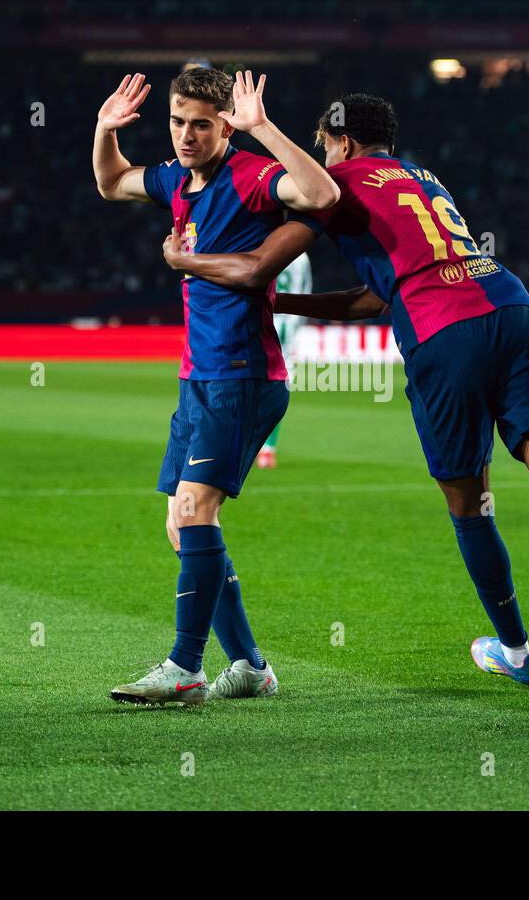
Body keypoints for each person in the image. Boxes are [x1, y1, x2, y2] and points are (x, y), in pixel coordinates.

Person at [163, 93, 529, 680]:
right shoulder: (423, 178)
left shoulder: (334, 180)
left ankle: (515, 651)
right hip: (513, 307)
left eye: (324, 145)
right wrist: (289, 303)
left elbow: (262, 261)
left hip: (442, 333)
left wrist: (201, 260)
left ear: (341, 142)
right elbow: (374, 295)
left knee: (471, 503)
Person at [94, 69, 339, 705]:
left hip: (242, 376)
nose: (186, 135)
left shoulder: (254, 176)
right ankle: (251, 667)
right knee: (181, 526)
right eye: (177, 122)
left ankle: (185, 667)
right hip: (197, 379)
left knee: (193, 511)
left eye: (202, 123)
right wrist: (104, 128)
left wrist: (263, 128)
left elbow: (319, 190)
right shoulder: (175, 181)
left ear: (225, 123)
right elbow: (111, 181)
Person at [256, 252, 312, 468]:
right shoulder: (302, 256)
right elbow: (306, 291)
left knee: (255, 379)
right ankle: (268, 450)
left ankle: (256, 446)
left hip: (263, 317)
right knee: (280, 382)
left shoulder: (265, 244)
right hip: (289, 324)